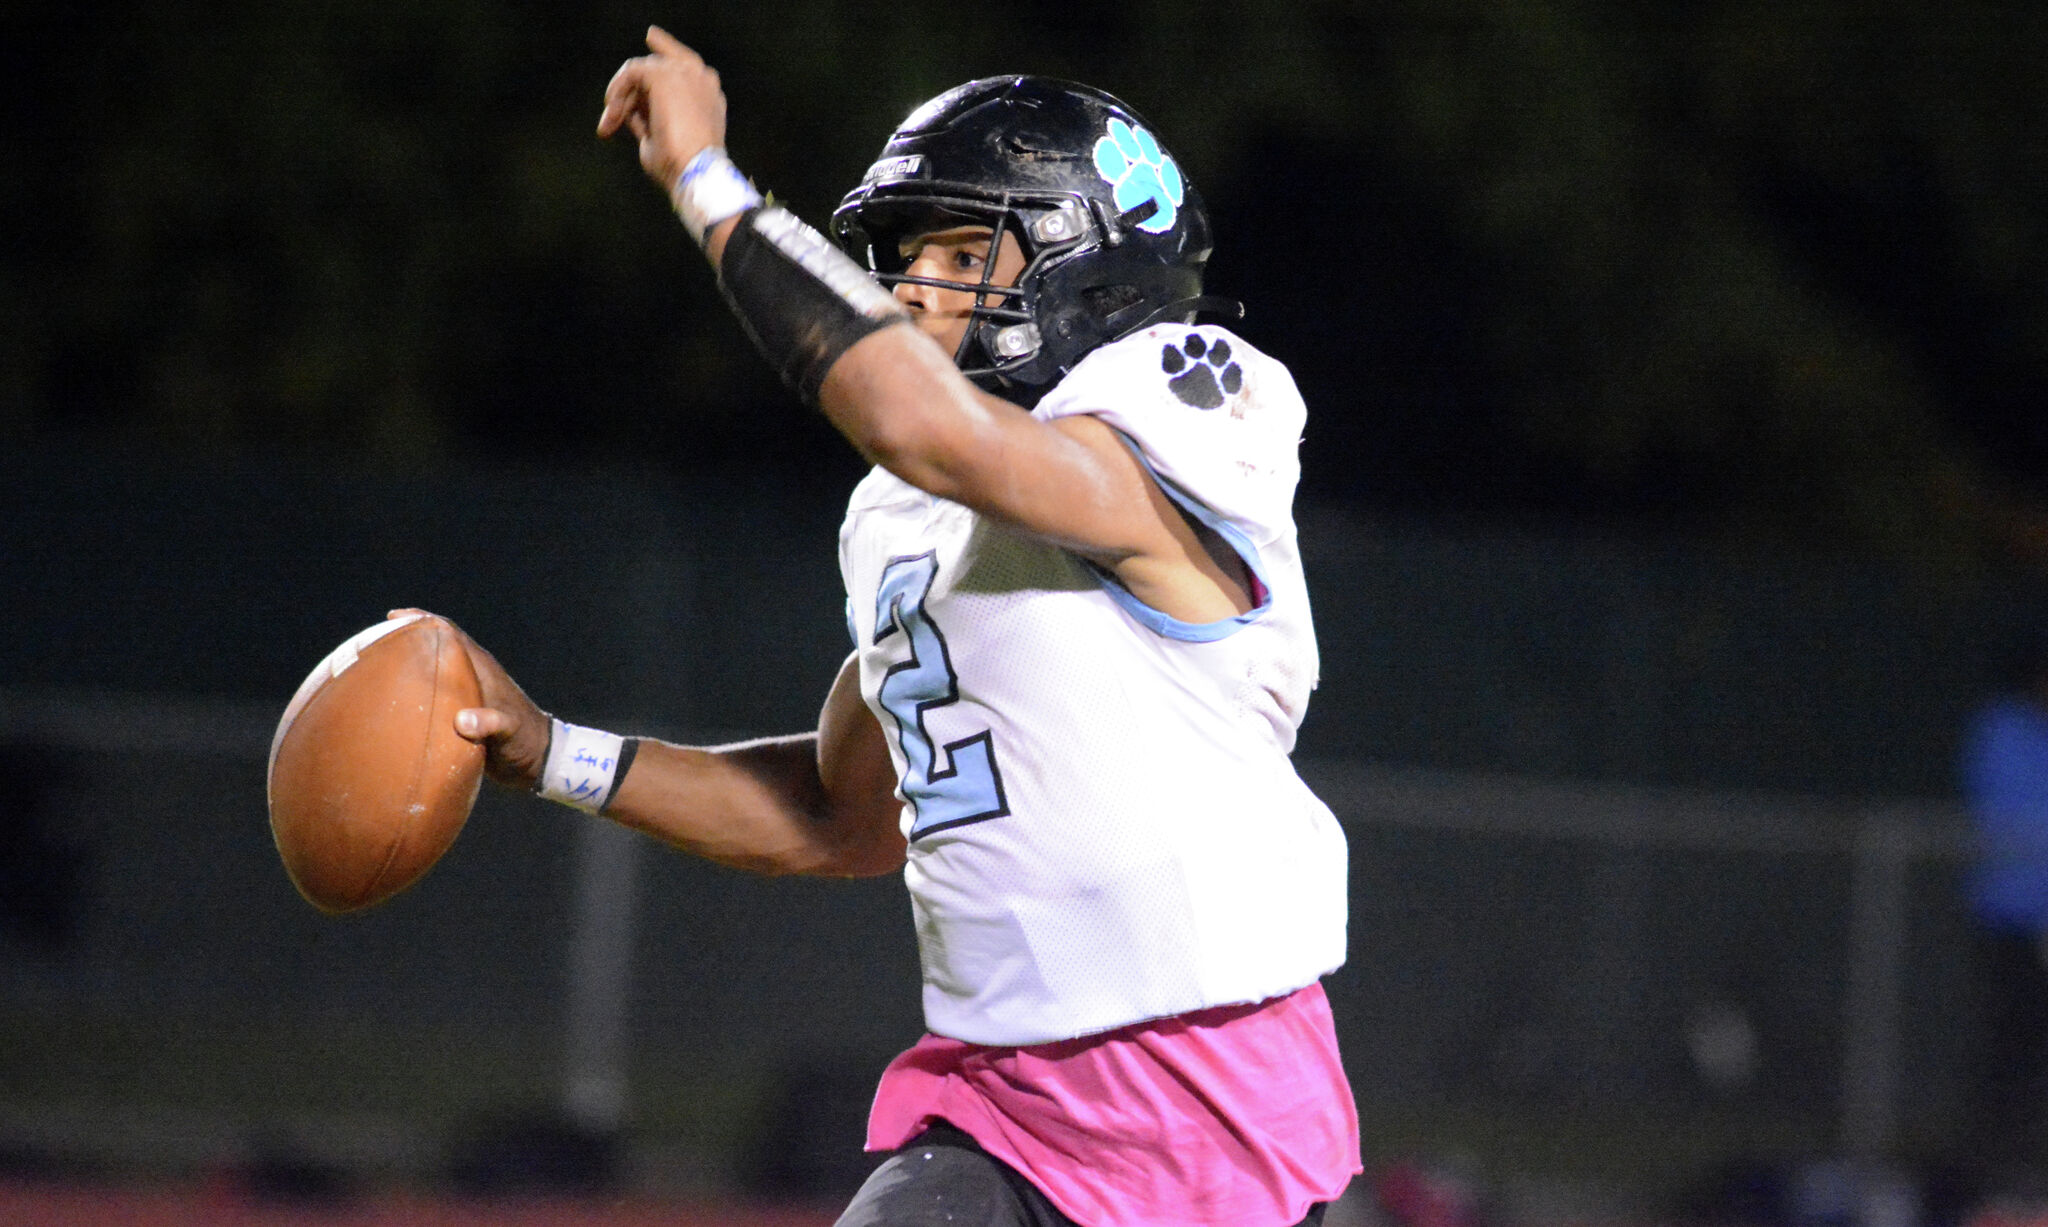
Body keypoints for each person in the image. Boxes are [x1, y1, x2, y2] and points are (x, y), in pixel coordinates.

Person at [424, 26, 1360, 1226]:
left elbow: (935, 430)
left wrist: (707, 184)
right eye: (908, 256)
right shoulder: (902, 513)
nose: (917, 286)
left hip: (1210, 1106)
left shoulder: (1177, 401)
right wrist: (551, 750)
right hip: (994, 1111)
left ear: (1087, 261)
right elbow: (837, 813)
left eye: (964, 250)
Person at [1961, 632, 2048, 1179]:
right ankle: (2002, 1167)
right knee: (2013, 1044)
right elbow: (2014, 818)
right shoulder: (2004, 730)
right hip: (2014, 920)